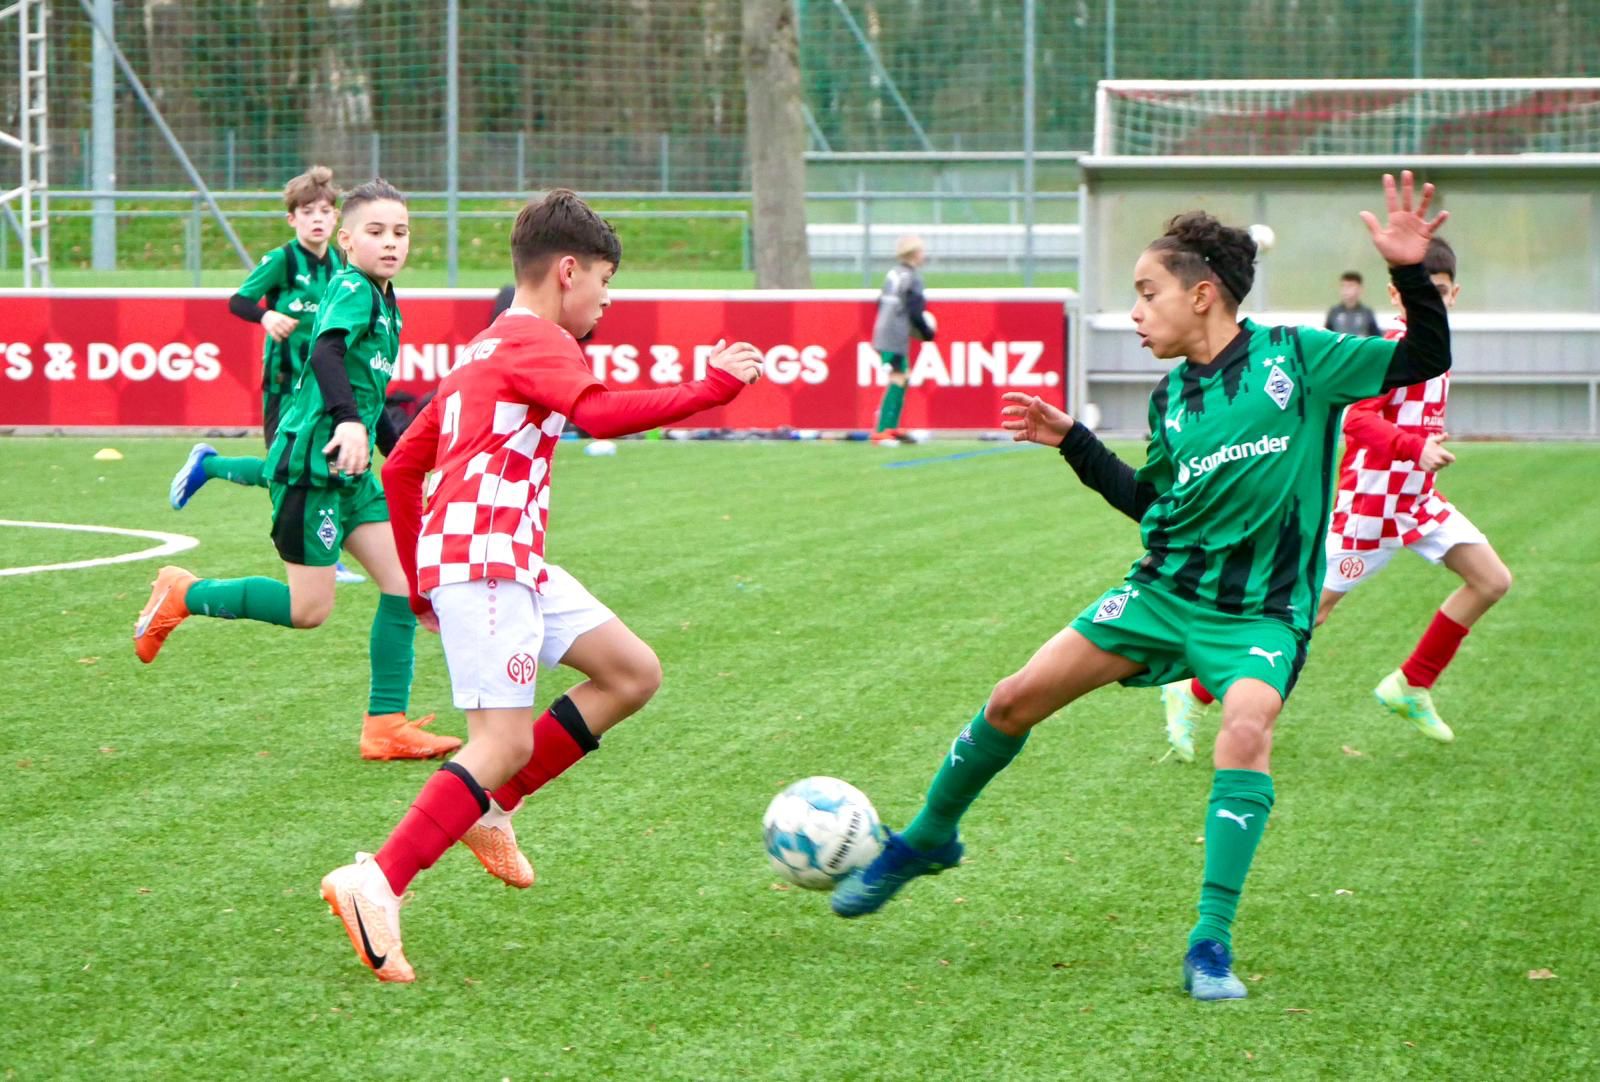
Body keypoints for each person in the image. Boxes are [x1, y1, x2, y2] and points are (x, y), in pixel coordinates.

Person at [828, 173, 1452, 1002]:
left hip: (1260, 612)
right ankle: (927, 838)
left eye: (1145, 292)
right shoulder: (1173, 399)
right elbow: (1153, 505)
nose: (1134, 310)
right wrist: (1075, 441)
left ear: (1202, 296)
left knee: (1245, 725)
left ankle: (1210, 945)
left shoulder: (1300, 359)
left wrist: (1410, 274)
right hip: (1163, 591)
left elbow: (1424, 357)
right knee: (1014, 698)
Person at [318, 189, 764, 983]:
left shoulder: (482, 352)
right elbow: (598, 415)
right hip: (489, 562)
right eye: (603, 281)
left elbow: (404, 468)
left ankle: (490, 806)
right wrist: (712, 388)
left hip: (502, 559)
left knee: (631, 672)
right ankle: (376, 879)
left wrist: (421, 577)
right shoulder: (540, 340)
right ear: (568, 271)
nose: (605, 299)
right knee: (503, 741)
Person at [133, 178, 458, 762]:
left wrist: (409, 459)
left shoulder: (387, 300)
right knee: (310, 610)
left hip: (351, 475)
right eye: (377, 232)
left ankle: (385, 726)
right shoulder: (354, 287)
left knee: (403, 585)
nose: (391, 243)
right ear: (347, 239)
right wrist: (346, 422)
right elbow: (326, 351)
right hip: (311, 468)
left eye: (401, 232)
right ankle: (184, 593)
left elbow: (373, 395)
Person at [1161, 237, 1510, 756]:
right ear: (1397, 296)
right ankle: (1190, 692)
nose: (1432, 304)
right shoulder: (1391, 350)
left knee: (1491, 580)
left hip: (1416, 504)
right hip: (1368, 513)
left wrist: (1420, 452)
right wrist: (1415, 446)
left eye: (1440, 294)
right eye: (1423, 294)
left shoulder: (1439, 351)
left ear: (1454, 295)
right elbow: (1357, 419)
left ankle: (1411, 683)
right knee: (1304, 615)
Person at [169, 165, 365, 585]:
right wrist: (268, 316)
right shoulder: (281, 261)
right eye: (307, 211)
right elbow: (239, 302)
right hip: (284, 384)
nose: (317, 218)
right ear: (292, 219)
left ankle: (328, 555)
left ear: (336, 219)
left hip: (323, 390)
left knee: (330, 469)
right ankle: (211, 466)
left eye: (325, 211)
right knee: (285, 469)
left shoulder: (341, 266)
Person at [869, 235, 935, 446]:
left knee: (902, 376)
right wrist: (926, 332)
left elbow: (880, 302)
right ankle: (882, 431)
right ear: (915, 254)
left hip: (884, 330)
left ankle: (891, 427)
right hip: (894, 334)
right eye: (922, 251)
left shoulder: (894, 273)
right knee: (898, 377)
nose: (924, 255)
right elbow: (916, 310)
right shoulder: (913, 278)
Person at [1325, 270, 1382, 338]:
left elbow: (1376, 337)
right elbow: (1326, 337)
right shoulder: (1334, 312)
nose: (1346, 290)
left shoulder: (1366, 313)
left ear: (1360, 288)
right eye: (1343, 286)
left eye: (1350, 286)